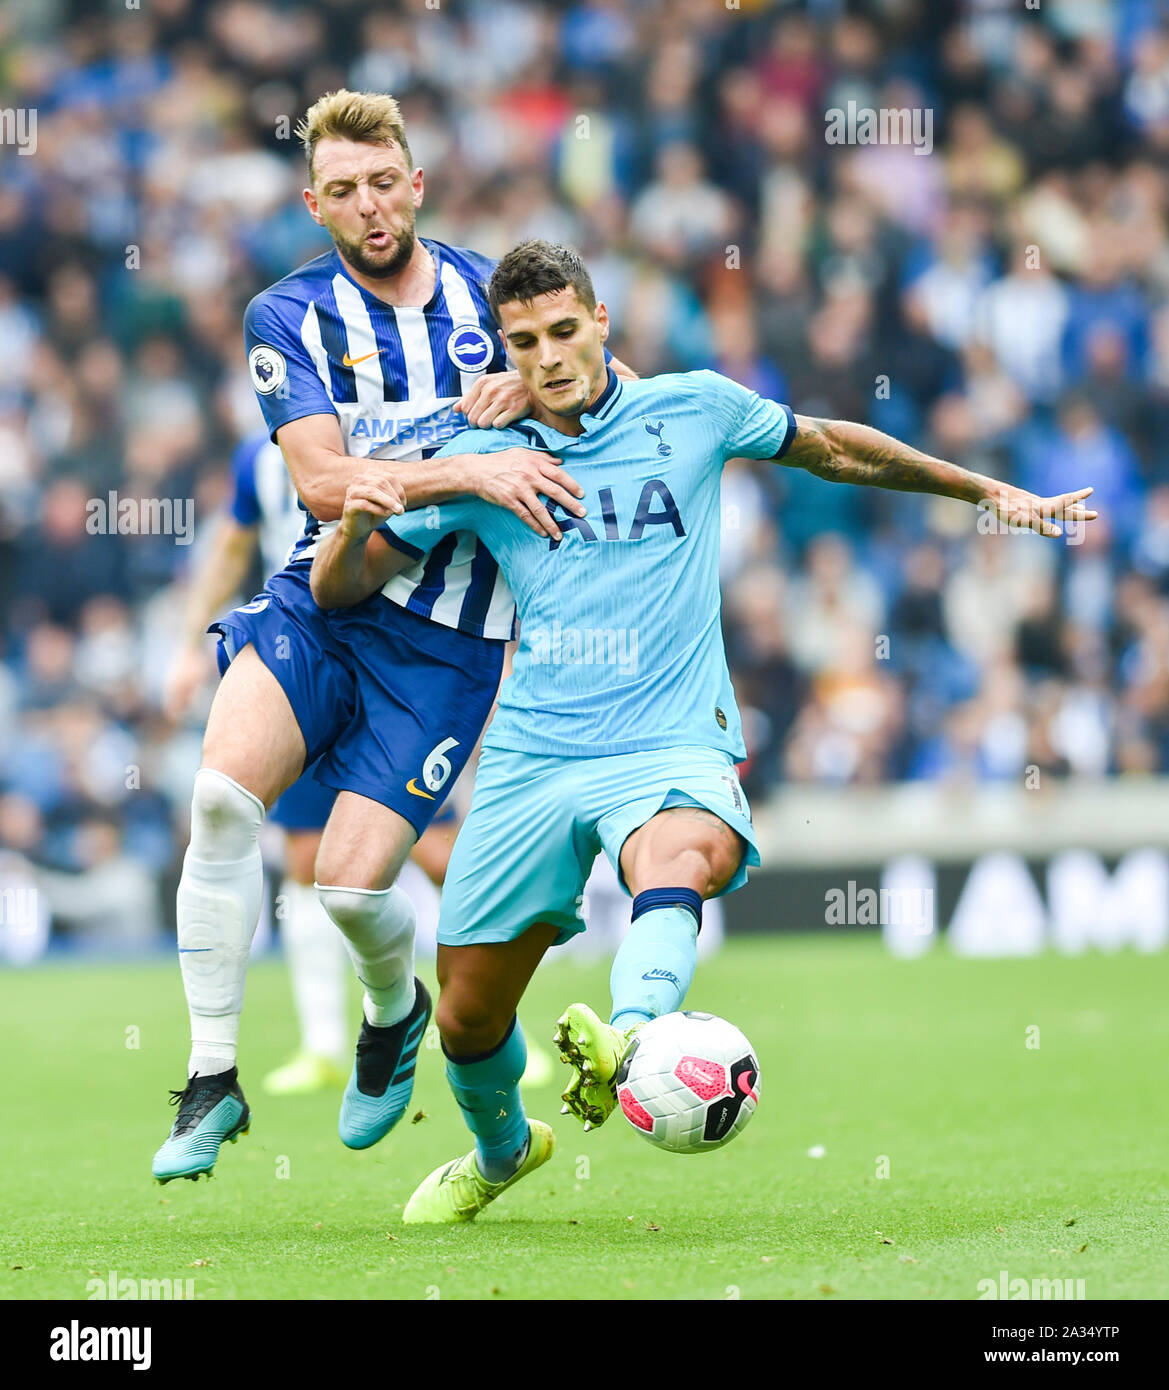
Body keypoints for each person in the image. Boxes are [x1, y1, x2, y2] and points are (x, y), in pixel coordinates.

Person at [311, 238, 1097, 1223]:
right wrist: (353, 518)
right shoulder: (477, 465)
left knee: (680, 848)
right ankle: (502, 1150)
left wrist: (983, 491)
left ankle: (632, 1037)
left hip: (667, 735)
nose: (549, 356)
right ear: (503, 353)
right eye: (524, 342)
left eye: (563, 330)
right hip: (534, 753)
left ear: (600, 323)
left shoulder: (689, 408)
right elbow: (337, 589)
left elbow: (836, 447)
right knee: (467, 1017)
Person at [152, 91, 635, 1184]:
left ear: (415, 183)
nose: (368, 206)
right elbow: (323, 481)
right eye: (342, 190)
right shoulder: (287, 315)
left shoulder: (488, 292)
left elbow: (585, 385)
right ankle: (212, 1077)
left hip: (448, 647)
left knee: (354, 888)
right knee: (222, 799)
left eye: (384, 182)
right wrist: (466, 460)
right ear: (310, 200)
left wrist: (545, 388)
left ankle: (392, 1011)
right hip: (325, 596)